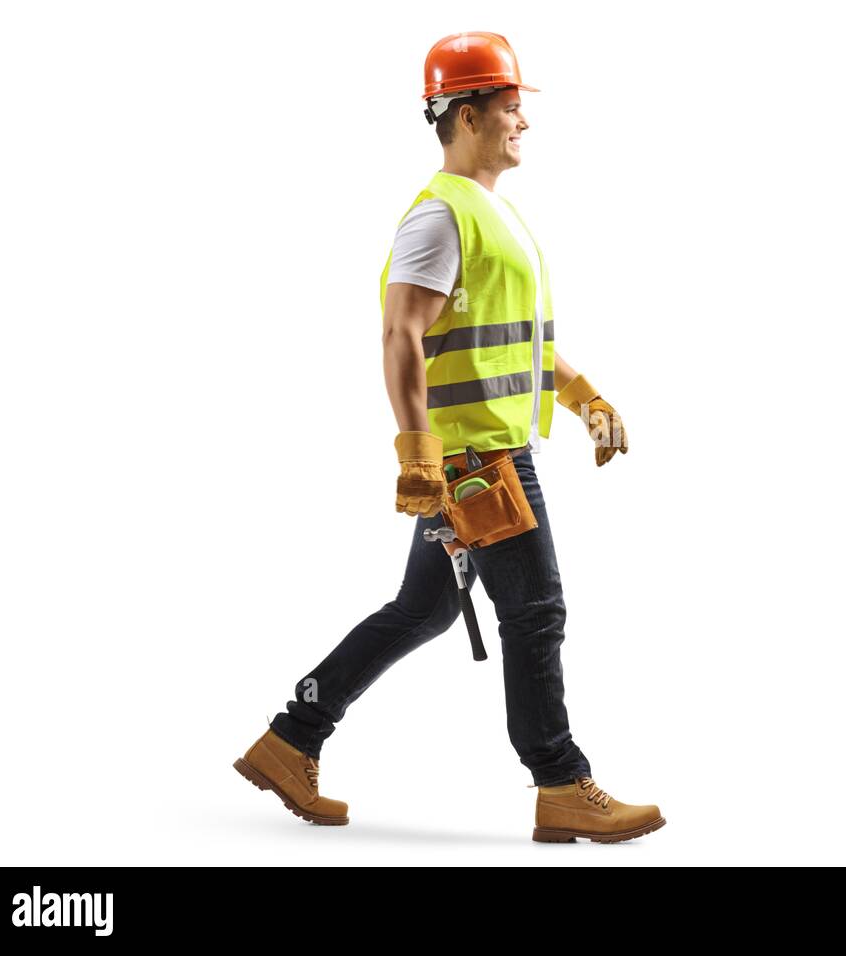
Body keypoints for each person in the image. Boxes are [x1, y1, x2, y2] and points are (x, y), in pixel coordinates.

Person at [232, 32, 665, 844]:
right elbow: (400, 335)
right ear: (467, 115)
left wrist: (587, 398)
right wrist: (418, 455)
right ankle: (562, 781)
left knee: (421, 610)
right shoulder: (439, 216)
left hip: (484, 452)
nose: (523, 123)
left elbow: (519, 341)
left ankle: (292, 740)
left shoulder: (489, 213)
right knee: (535, 613)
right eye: (510, 108)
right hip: (475, 463)